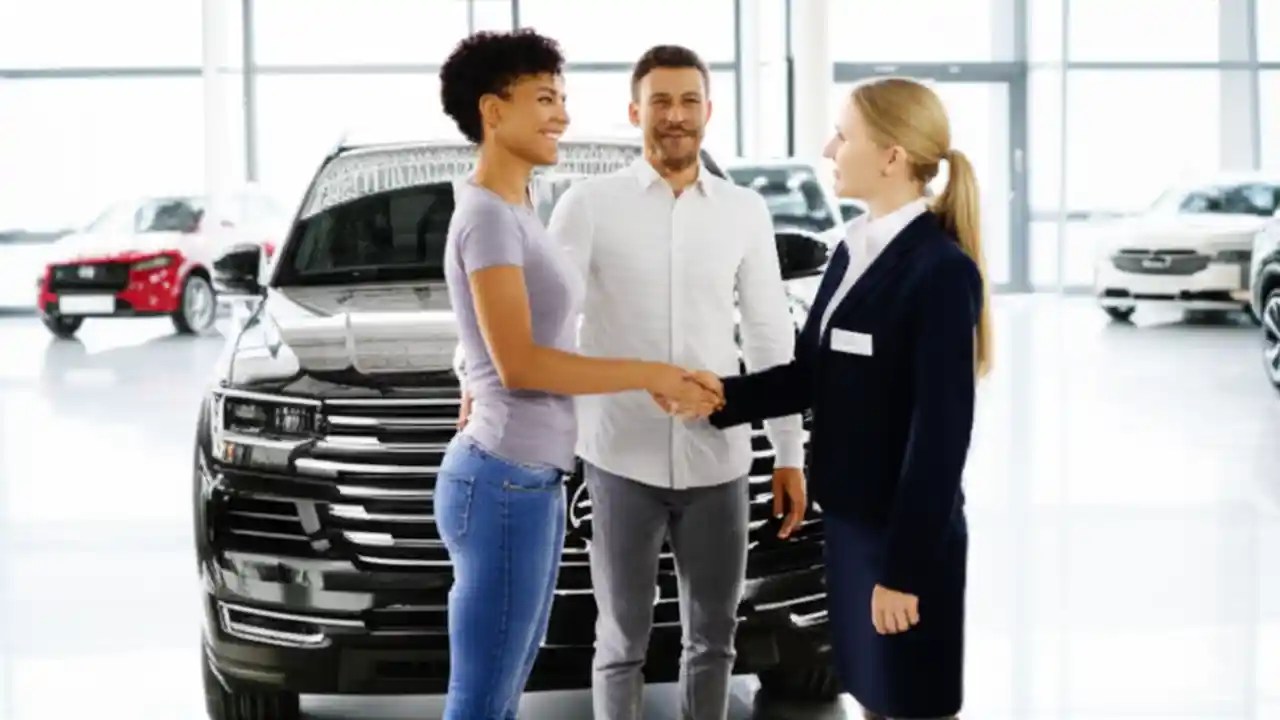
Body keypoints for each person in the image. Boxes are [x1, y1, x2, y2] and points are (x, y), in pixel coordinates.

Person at [436, 30, 722, 720]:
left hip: (524, 477)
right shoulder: (489, 217)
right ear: (492, 111)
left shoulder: (517, 207)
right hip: (502, 478)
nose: (561, 115)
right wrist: (650, 373)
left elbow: (505, 340)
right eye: (544, 99)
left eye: (562, 99)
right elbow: (521, 364)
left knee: (500, 695)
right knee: (481, 703)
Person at [691, 77, 993, 720]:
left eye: (843, 135)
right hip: (851, 529)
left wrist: (904, 573)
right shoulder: (852, 249)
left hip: (904, 541)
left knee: (910, 705)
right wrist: (718, 397)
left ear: (892, 156)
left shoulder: (940, 271)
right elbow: (812, 375)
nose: (829, 149)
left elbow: (940, 442)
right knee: (872, 700)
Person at [545, 45, 807, 720]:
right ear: (635, 112)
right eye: (659, 101)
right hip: (619, 456)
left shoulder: (744, 210)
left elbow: (769, 333)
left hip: (719, 459)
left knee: (714, 639)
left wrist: (788, 452)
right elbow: (544, 317)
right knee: (620, 640)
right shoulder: (588, 205)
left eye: (689, 101)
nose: (675, 115)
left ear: (708, 111)